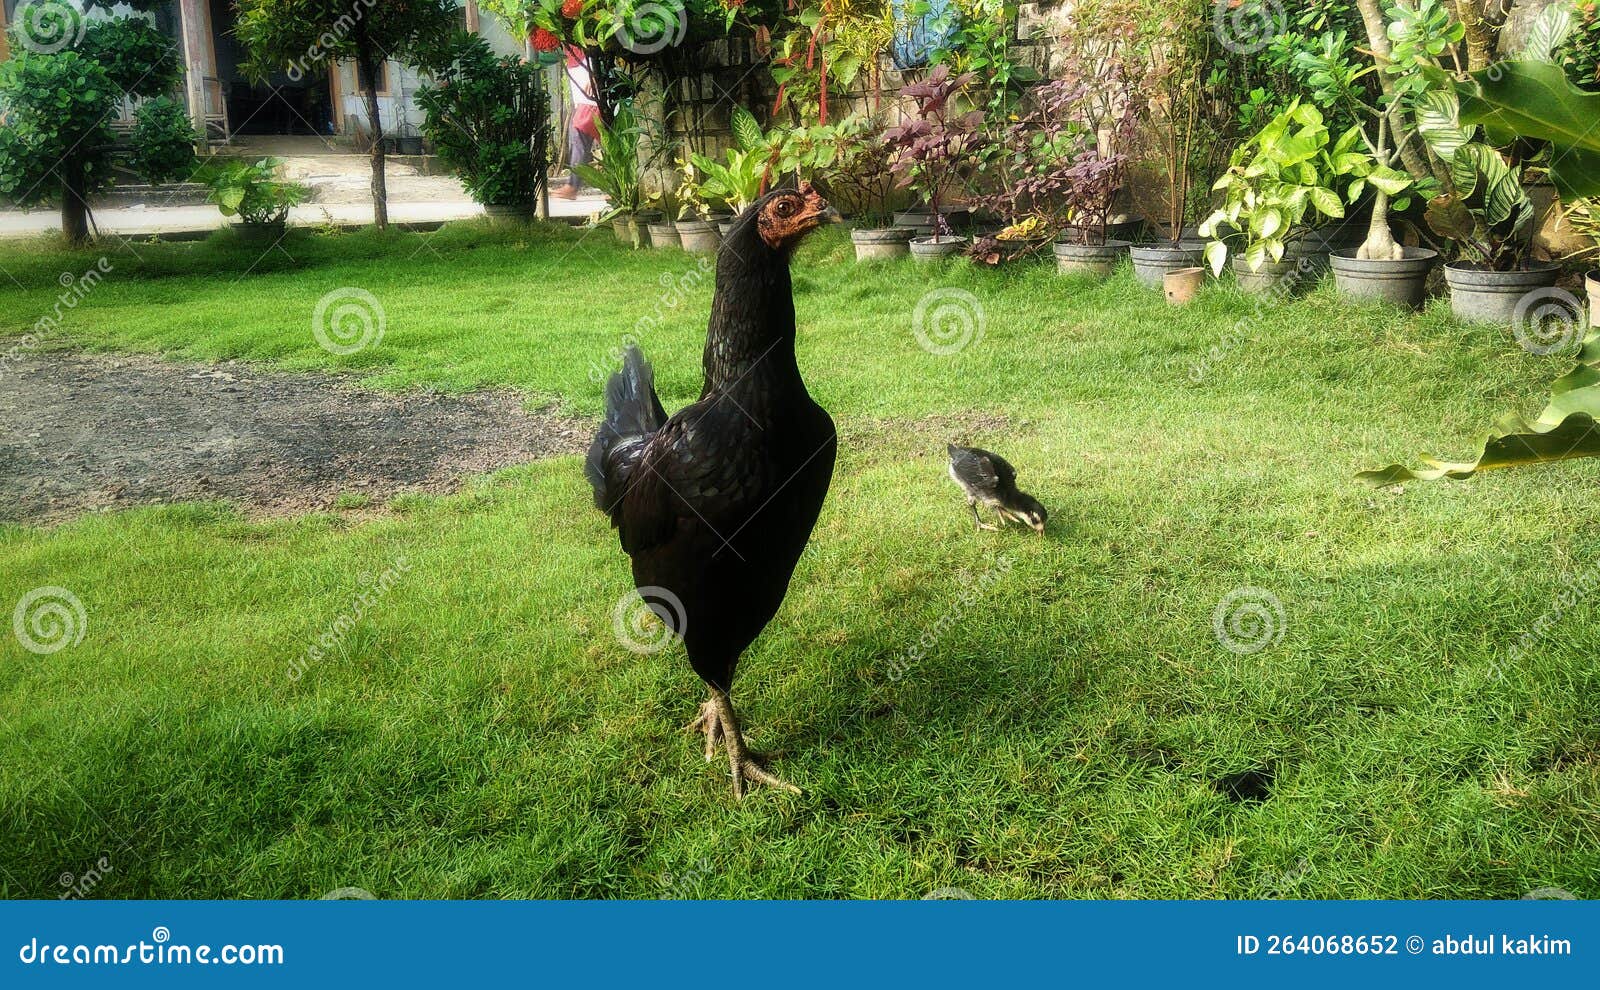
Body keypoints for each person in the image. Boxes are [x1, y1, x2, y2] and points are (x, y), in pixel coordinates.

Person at [556, 45, 600, 200]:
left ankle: (573, 186)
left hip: (591, 101)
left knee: (578, 135)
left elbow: (597, 49)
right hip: (584, 100)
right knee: (578, 137)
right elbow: (554, 54)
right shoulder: (568, 45)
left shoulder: (584, 41)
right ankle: (573, 186)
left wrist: (594, 74)